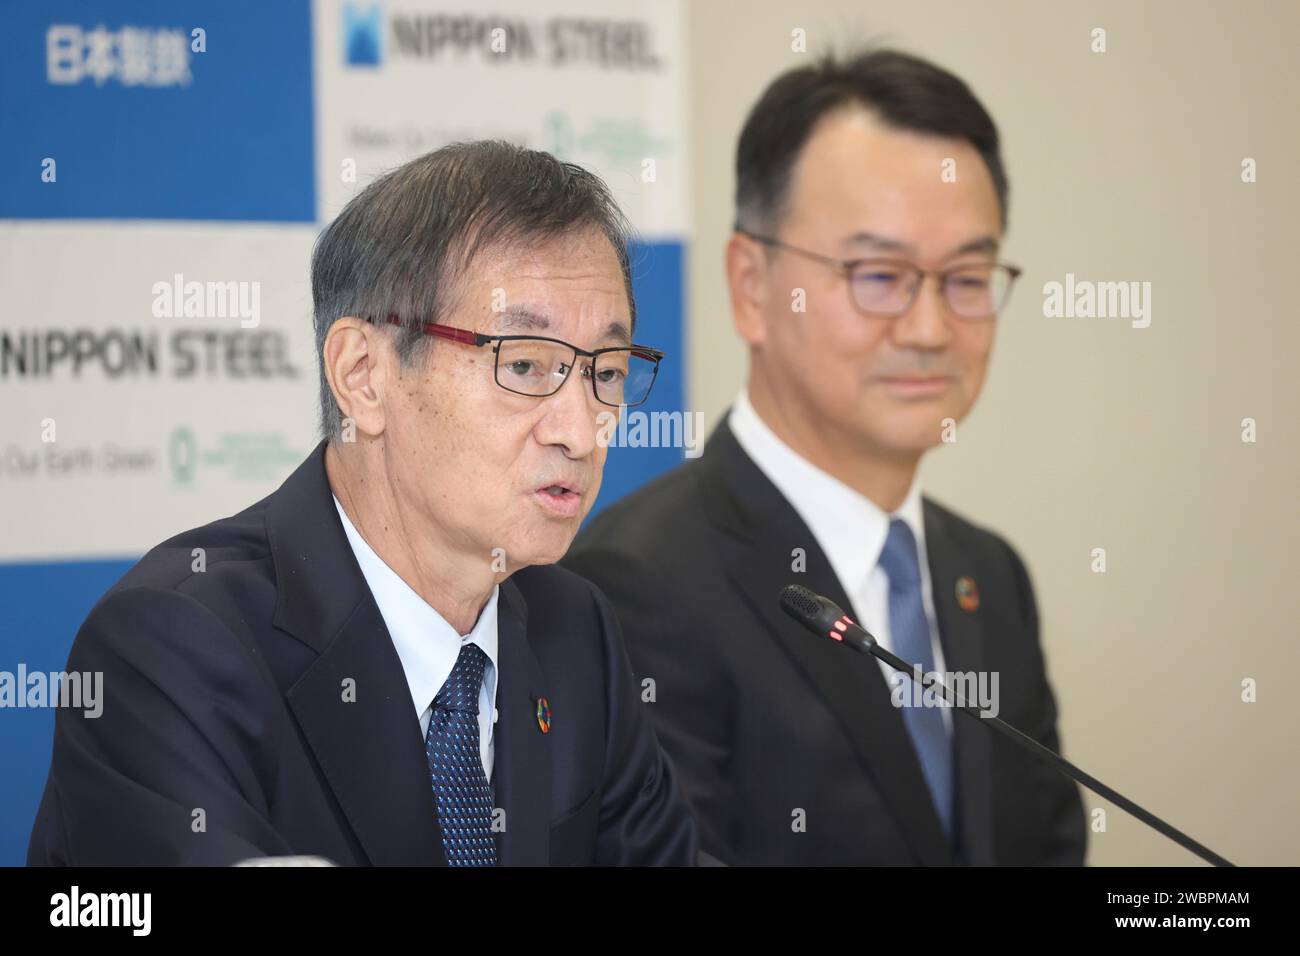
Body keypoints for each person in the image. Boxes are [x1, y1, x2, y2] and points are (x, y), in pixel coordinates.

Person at [28, 141, 697, 867]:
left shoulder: (575, 634)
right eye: (527, 364)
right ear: (363, 376)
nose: (580, 427)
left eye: (606, 371)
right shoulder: (175, 648)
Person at [564, 50, 1087, 865]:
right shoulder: (633, 586)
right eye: (878, 274)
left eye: (968, 276)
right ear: (751, 285)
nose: (929, 329)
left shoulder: (988, 574)